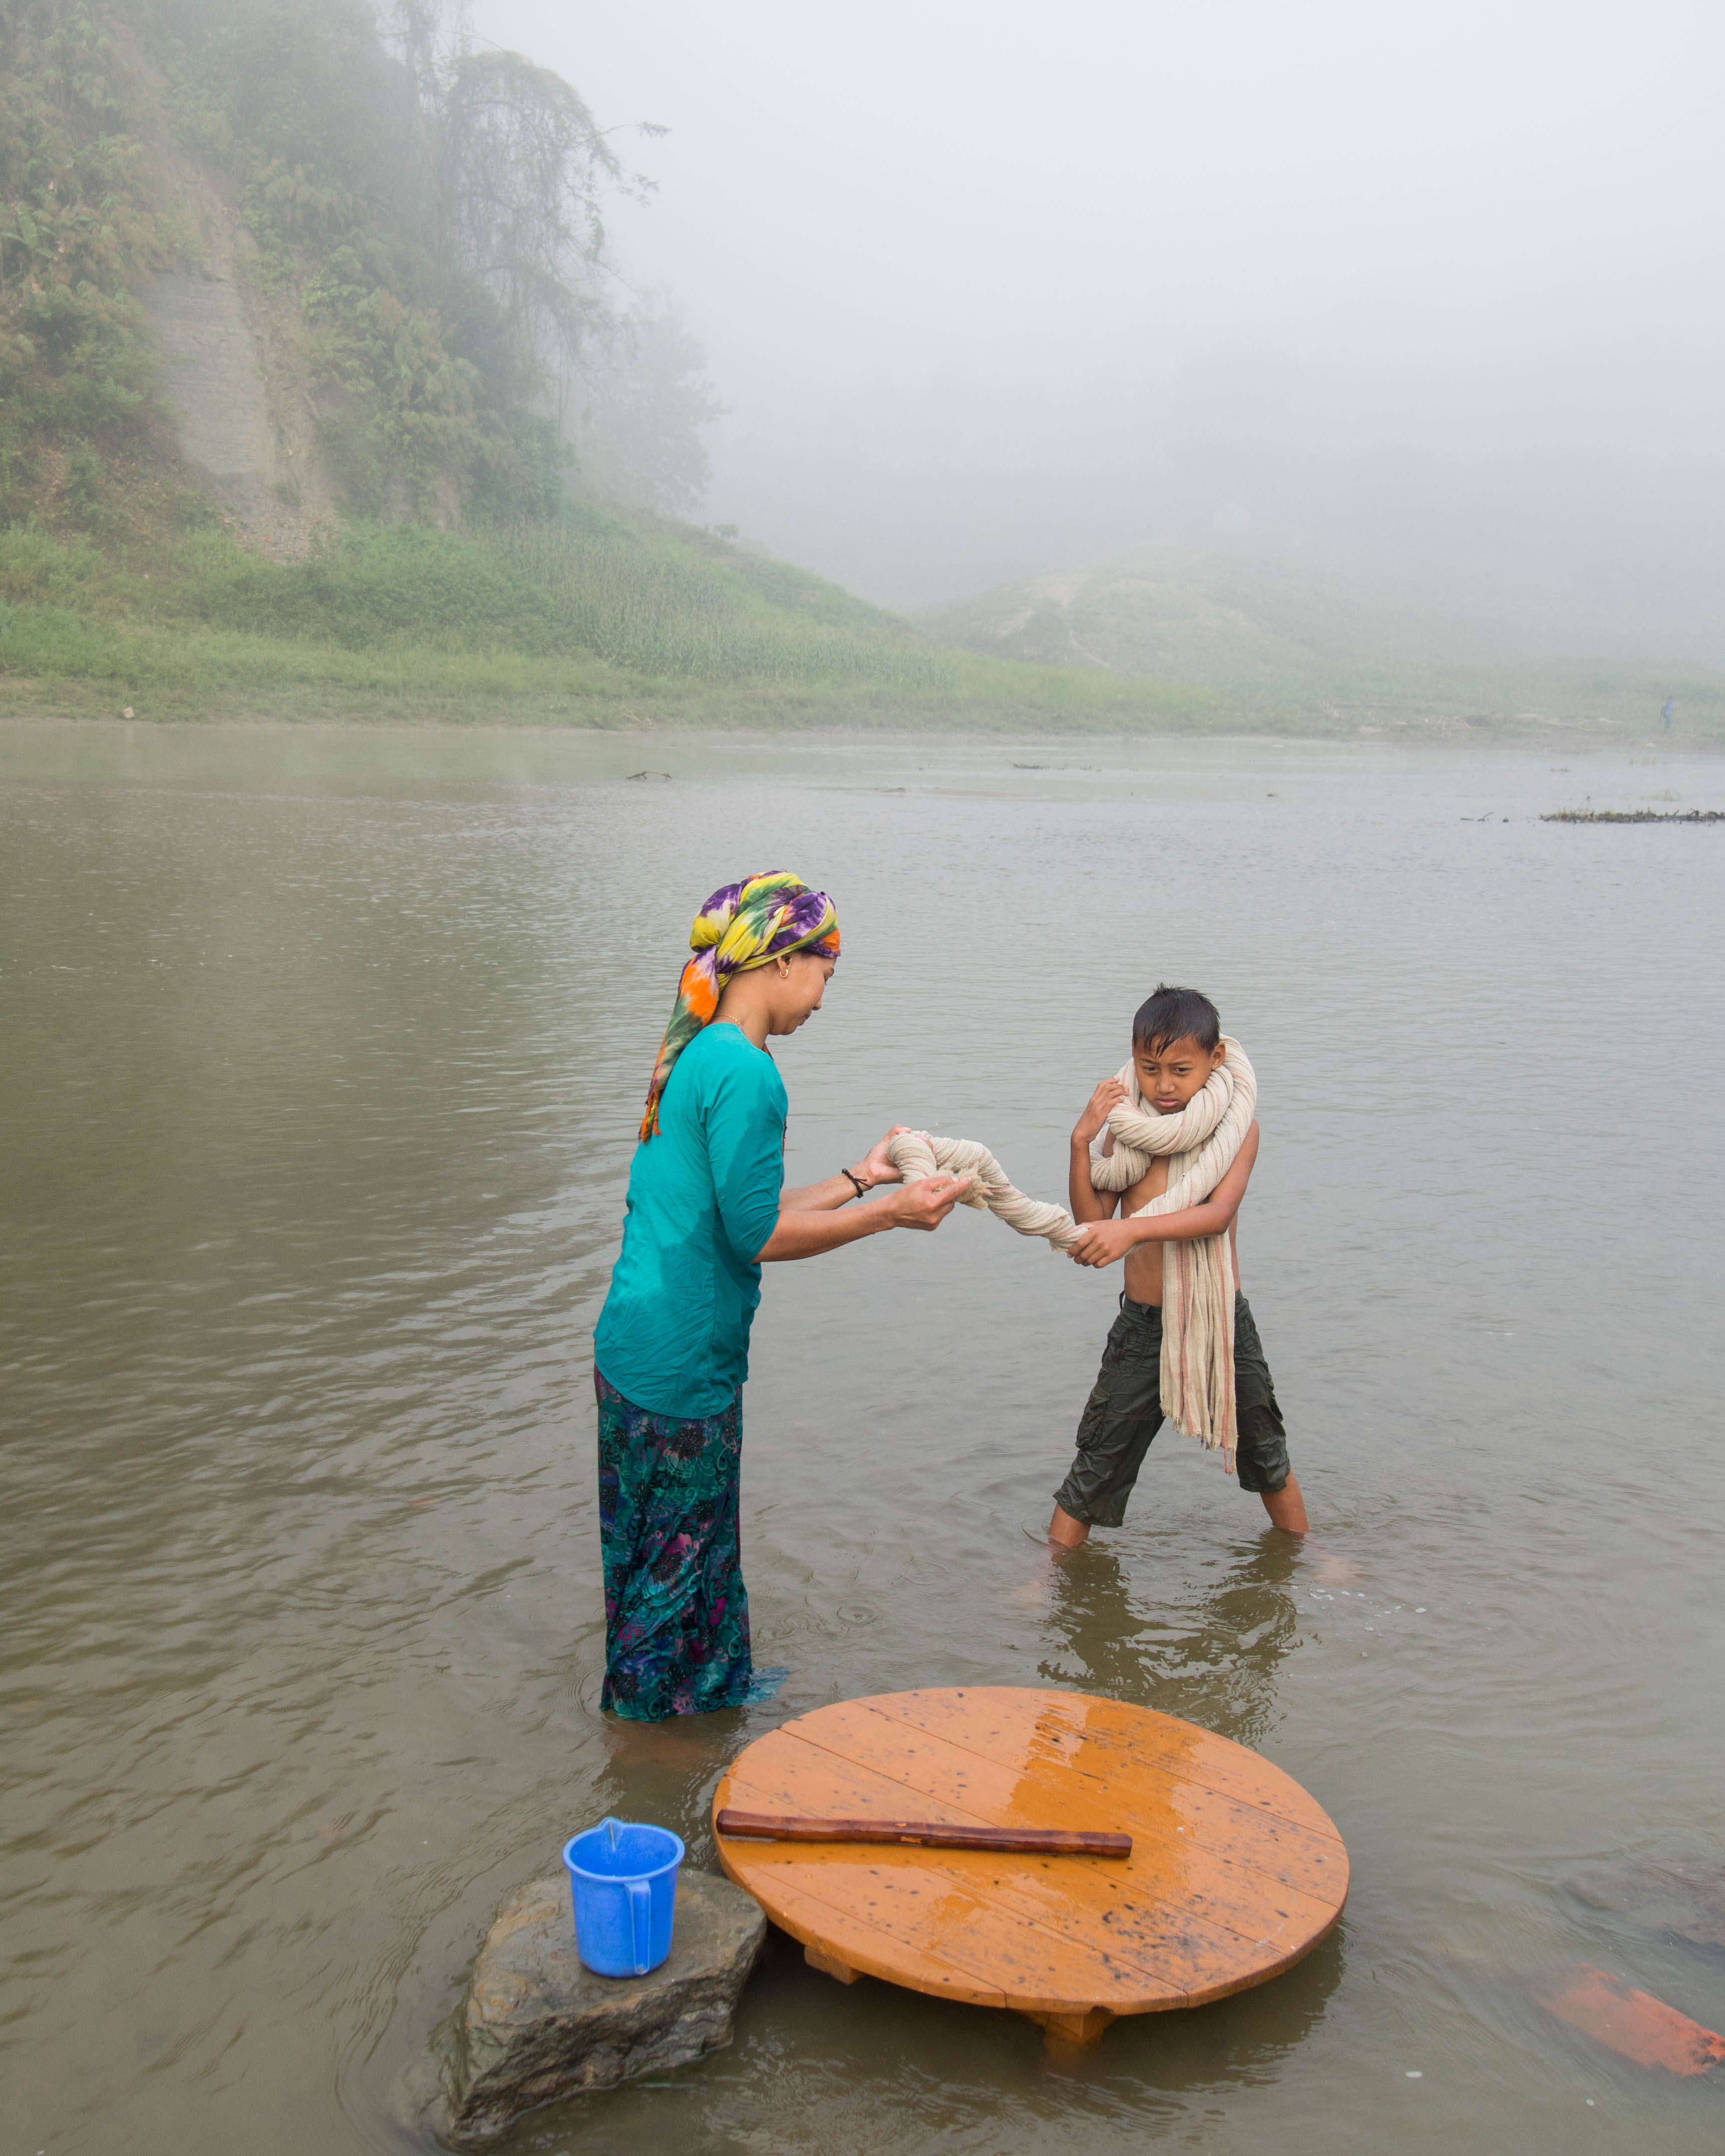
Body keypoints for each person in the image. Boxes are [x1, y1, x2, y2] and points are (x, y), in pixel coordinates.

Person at [592, 871, 970, 1720]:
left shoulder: (700, 1052)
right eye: (826, 974)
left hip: (635, 1346)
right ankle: (651, 1769)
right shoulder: (750, 1075)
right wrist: (890, 1217)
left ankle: (712, 1707)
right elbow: (755, 1239)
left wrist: (859, 1179)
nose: (824, 1000)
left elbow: (742, 1210)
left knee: (679, 1556)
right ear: (782, 959)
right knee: (668, 1584)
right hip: (679, 1364)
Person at [1046, 984, 1307, 1549]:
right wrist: (1080, 1142)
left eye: (1181, 1070)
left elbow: (1215, 1216)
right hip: (1143, 1324)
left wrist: (1131, 1230)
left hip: (1218, 1319)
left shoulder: (1237, 1130)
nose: (1164, 1085)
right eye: (1150, 1068)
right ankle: (1051, 1575)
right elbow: (1091, 1223)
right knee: (1100, 1455)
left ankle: (1309, 1553)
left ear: (1215, 1062)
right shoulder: (1126, 1130)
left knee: (1265, 1446)